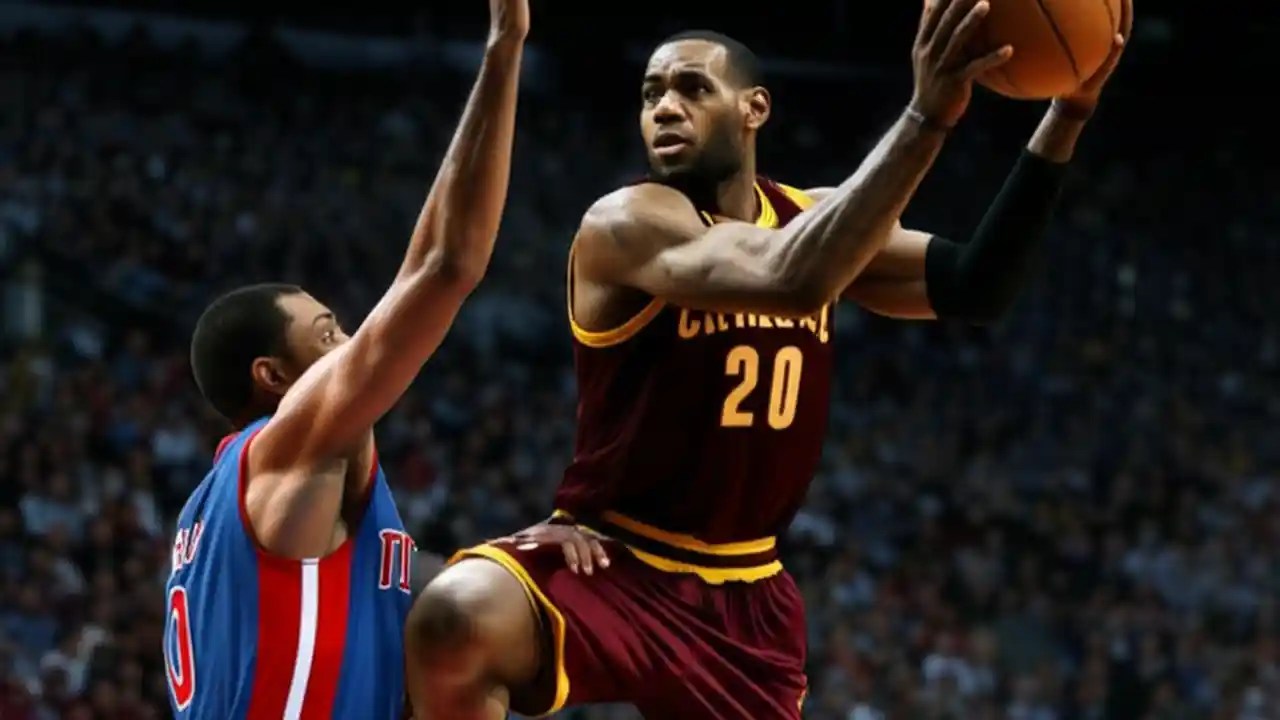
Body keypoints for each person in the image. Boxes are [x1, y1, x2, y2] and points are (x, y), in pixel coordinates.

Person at [406, 0, 1132, 718]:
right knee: (457, 618)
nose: (665, 108)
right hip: (611, 559)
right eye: (652, 94)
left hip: (744, 592)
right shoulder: (625, 221)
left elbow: (978, 284)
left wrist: (1068, 115)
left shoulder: (814, 218)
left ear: (754, 109)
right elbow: (793, 278)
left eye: (693, 88)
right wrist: (925, 116)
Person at [160, 1, 533, 717]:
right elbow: (446, 265)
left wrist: (535, 557)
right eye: (328, 333)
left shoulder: (221, 511)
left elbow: (403, 584)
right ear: (274, 377)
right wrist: (503, 49)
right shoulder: (289, 445)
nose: (353, 341)